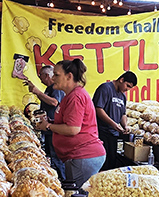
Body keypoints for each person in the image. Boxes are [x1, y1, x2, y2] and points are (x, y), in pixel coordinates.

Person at [33, 59, 105, 189]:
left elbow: (73, 128)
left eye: (56, 75)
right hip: (78, 157)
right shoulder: (70, 95)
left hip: (83, 156)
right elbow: (68, 122)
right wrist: (50, 122)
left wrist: (48, 126)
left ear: (69, 76)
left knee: (78, 196)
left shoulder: (76, 97)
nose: (52, 78)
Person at [25, 65, 66, 180]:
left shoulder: (56, 88)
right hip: (47, 128)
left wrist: (37, 92)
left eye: (41, 76)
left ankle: (62, 181)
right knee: (51, 156)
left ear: (47, 75)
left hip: (54, 128)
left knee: (56, 157)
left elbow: (54, 102)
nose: (40, 78)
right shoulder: (49, 89)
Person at [92, 71, 137, 170]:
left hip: (113, 135)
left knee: (111, 163)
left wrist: (125, 125)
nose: (127, 89)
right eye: (127, 86)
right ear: (121, 80)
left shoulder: (123, 96)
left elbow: (123, 114)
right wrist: (113, 124)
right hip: (101, 132)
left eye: (130, 88)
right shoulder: (105, 88)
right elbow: (98, 109)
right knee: (102, 163)